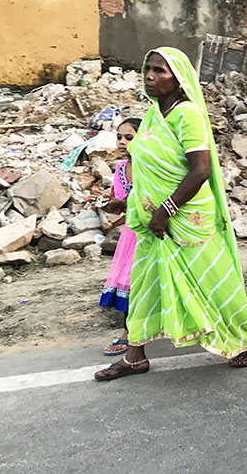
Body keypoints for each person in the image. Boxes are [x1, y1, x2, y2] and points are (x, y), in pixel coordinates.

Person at [95, 47, 247, 380]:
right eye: (148, 69)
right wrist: (131, 201)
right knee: (146, 284)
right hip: (152, 223)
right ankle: (135, 357)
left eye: (160, 71)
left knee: (213, 285)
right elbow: (148, 165)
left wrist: (167, 209)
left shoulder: (187, 115)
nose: (150, 75)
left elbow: (200, 169)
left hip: (187, 221)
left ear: (179, 79)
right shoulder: (151, 116)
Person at [99, 117, 141, 356]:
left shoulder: (150, 167)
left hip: (149, 232)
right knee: (129, 280)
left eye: (129, 137)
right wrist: (112, 206)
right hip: (131, 234)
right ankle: (129, 332)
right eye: (119, 137)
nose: (122, 142)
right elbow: (122, 203)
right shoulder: (120, 169)